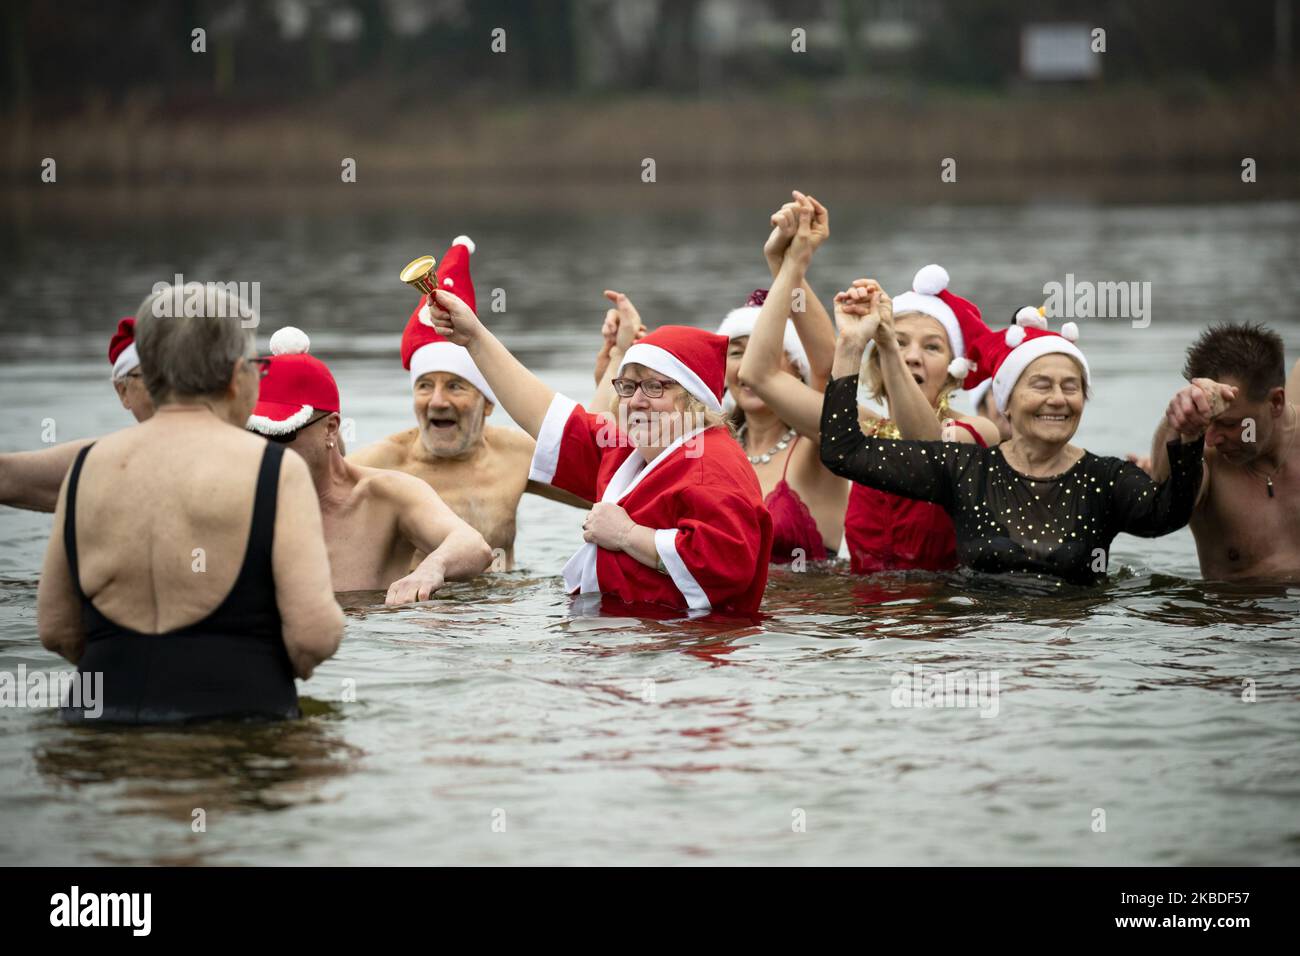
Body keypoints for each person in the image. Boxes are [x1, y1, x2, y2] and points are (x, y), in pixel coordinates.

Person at [37, 285, 344, 723]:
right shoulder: (274, 470)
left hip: (98, 724)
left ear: (147, 373)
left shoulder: (85, 467)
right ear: (237, 375)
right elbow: (314, 636)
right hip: (236, 727)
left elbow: (56, 629)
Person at [427, 286, 773, 615]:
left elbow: (727, 566)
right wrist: (474, 338)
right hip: (628, 633)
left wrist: (627, 535)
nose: (636, 401)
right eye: (628, 386)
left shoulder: (712, 464)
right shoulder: (634, 450)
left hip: (684, 644)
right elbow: (547, 417)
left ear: (694, 401)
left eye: (654, 386)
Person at [820, 295, 1205, 584]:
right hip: (983, 646)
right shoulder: (965, 471)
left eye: (1071, 387)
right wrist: (852, 344)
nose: (1058, 399)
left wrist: (1187, 435)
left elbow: (1168, 513)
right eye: (1041, 385)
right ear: (1006, 402)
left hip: (1074, 650)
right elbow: (843, 451)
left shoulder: (1105, 479)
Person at [349, 237, 584, 568]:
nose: (437, 401)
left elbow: (607, 488)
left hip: (506, 599)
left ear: (487, 404)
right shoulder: (376, 467)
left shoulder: (515, 456)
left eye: (455, 386)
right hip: (415, 602)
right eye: (425, 386)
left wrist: (613, 367)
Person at [246, 326, 493, 601]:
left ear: (331, 428)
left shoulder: (388, 495)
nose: (264, 448)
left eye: (281, 434)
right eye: (253, 433)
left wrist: (432, 568)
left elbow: (474, 546)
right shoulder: (240, 504)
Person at [720, 192, 850, 561]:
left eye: (764, 353)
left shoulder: (820, 446)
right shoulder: (711, 446)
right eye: (736, 353)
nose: (747, 367)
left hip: (809, 599)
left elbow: (827, 367)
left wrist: (789, 265)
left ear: (796, 369)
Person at [1146, 323, 1300, 581]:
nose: (1211, 438)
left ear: (1276, 402)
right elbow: (1161, 507)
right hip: (1232, 605)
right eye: (1206, 423)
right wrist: (1176, 421)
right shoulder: (1206, 459)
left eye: (1229, 424)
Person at [0, 318, 154, 512]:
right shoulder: (106, 462)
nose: (173, 389)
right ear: (123, 391)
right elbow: (5, 477)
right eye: (154, 377)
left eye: (183, 375)